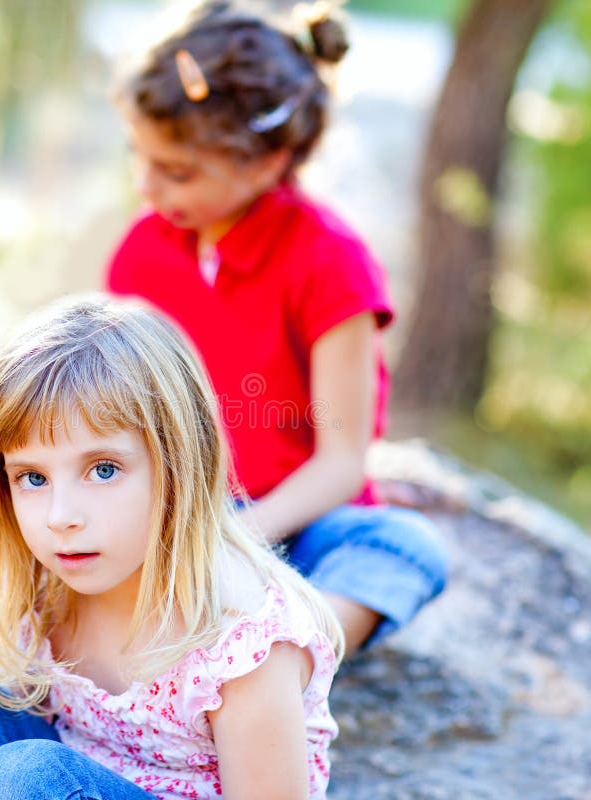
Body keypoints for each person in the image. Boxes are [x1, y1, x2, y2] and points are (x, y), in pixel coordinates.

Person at [0, 295, 344, 800]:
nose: (62, 517)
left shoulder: (240, 641)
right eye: (32, 477)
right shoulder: (52, 593)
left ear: (179, 461)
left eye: (103, 470)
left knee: (27, 779)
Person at [106, 0, 448, 654]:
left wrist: (234, 541)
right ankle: (196, 639)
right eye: (138, 156)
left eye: (175, 172)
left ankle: (284, 665)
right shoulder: (141, 252)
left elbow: (342, 460)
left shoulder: (330, 264)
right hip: (176, 516)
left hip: (295, 523)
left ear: (267, 161)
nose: (145, 187)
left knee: (404, 548)